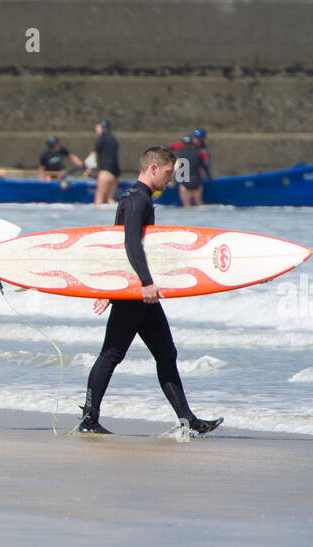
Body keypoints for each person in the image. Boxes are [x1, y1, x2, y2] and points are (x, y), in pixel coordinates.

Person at [79, 145, 222, 436]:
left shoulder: (138, 198)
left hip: (139, 292)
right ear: (153, 168)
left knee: (166, 353)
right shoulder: (136, 200)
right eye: (168, 173)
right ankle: (89, 420)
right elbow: (130, 243)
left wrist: (114, 285)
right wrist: (143, 282)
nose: (171, 179)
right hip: (137, 292)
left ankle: (187, 420)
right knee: (111, 353)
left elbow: (118, 247)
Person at [91, 119, 121, 205]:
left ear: (102, 128)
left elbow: (94, 154)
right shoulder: (113, 139)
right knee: (110, 200)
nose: (96, 129)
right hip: (115, 173)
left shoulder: (101, 139)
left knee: (98, 200)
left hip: (105, 172)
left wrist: (88, 168)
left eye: (97, 127)